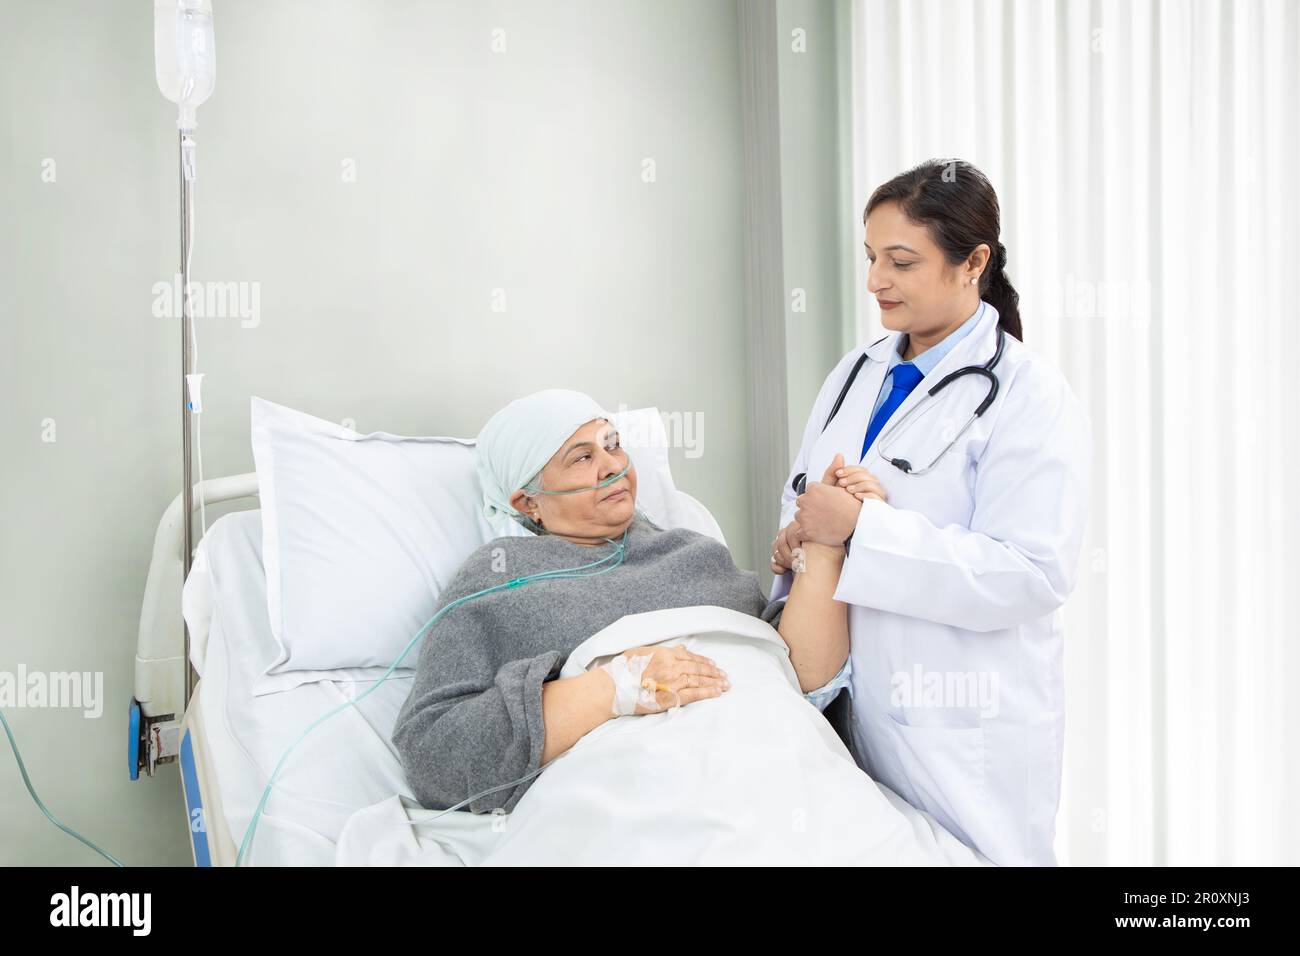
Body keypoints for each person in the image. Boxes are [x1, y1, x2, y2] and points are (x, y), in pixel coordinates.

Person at [770, 159, 1091, 865]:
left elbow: (1032, 573)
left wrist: (864, 531)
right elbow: (807, 502)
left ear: (973, 261)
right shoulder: (854, 373)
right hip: (845, 703)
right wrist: (795, 541)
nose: (875, 281)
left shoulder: (1030, 396)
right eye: (871, 258)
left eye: (901, 262)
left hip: (960, 723)